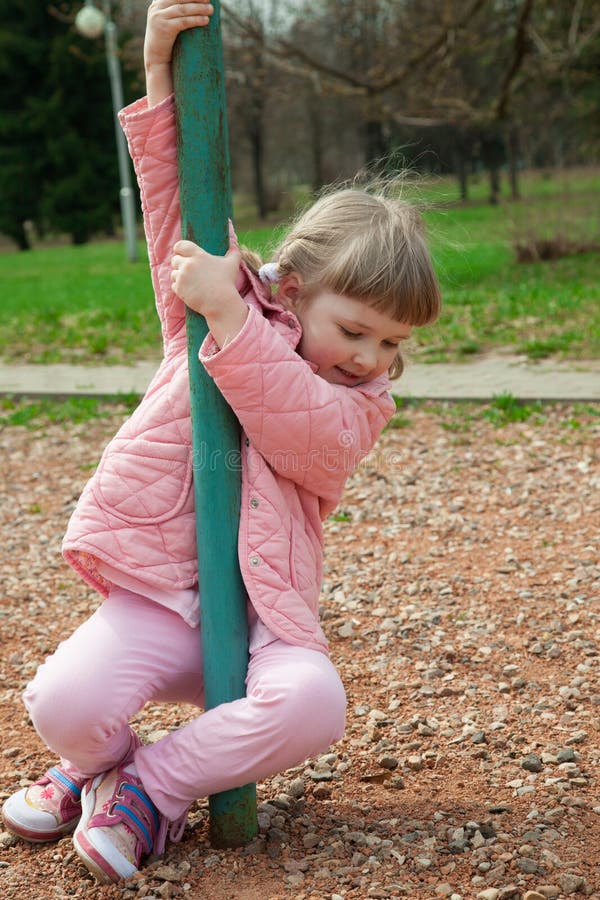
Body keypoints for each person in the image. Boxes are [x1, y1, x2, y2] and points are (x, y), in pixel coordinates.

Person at [1, 0, 441, 885]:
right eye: (356, 330)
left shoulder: (354, 404)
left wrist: (232, 318)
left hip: (266, 615)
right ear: (301, 285)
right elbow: (175, 200)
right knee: (63, 698)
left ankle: (150, 789)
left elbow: (301, 435)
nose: (371, 358)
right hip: (168, 595)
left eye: (392, 343)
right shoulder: (204, 320)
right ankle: (91, 763)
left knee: (316, 704)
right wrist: (158, 64)